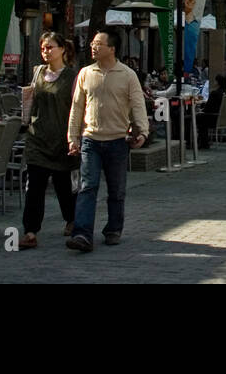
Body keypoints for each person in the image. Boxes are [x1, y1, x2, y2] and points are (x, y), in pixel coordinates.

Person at [66, 30, 149, 252]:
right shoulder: (85, 73)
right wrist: (72, 137)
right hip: (90, 140)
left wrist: (142, 132)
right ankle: (82, 234)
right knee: (87, 187)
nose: (93, 47)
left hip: (117, 141)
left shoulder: (127, 74)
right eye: (93, 43)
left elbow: (138, 105)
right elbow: (76, 107)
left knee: (116, 190)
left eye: (98, 44)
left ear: (112, 49)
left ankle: (113, 229)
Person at [21, 32, 78, 250]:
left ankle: (72, 219)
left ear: (62, 49)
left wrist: (76, 137)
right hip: (38, 138)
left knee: (64, 185)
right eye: (43, 48)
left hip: (62, 140)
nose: (46, 51)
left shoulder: (73, 76)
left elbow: (78, 107)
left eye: (50, 47)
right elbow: (31, 99)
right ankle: (30, 231)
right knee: (34, 187)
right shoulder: (37, 73)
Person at [196, 74, 226, 147]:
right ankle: (203, 141)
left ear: (217, 82)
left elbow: (207, 109)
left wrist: (200, 110)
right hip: (224, 119)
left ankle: (202, 142)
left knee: (198, 117)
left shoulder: (215, 93)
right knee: (201, 117)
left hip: (214, 118)